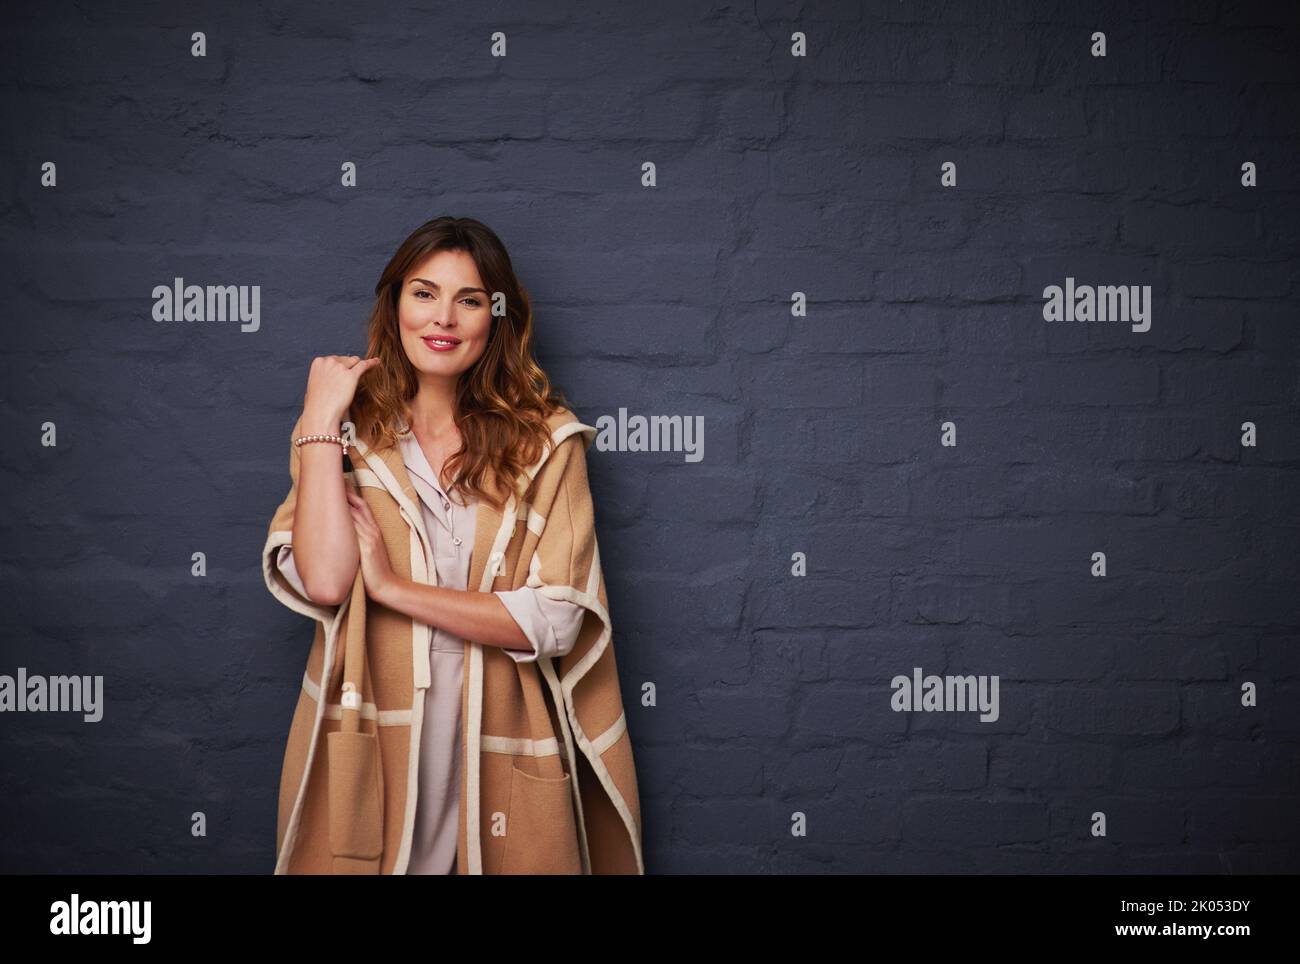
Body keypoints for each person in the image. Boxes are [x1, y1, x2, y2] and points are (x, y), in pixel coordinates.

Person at [264, 216, 641, 875]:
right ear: (395, 303)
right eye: (423, 292)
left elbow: (556, 618)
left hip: (502, 739)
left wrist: (393, 590)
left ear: (497, 318)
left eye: (470, 300)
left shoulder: (546, 444)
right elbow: (323, 582)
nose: (444, 317)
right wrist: (320, 420)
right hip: (373, 736)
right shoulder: (342, 434)